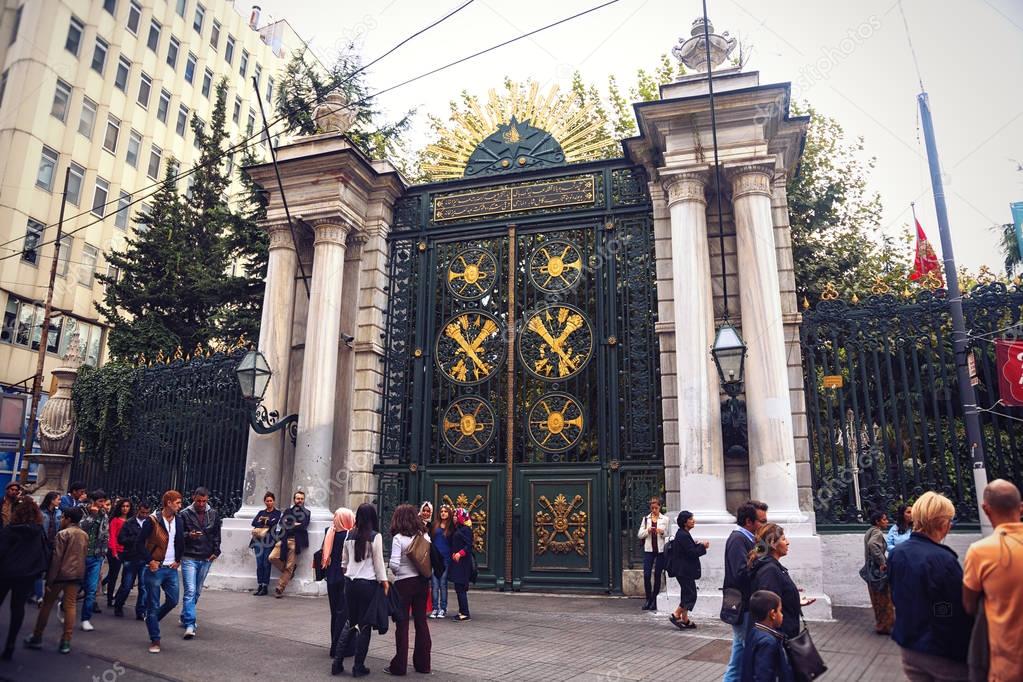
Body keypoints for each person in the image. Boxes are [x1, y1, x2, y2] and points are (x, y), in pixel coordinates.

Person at [889, 491, 972, 681]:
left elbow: (898, 595)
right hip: (940, 650)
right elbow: (952, 609)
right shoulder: (942, 560)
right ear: (943, 523)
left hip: (909, 645)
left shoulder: (898, 554)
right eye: (950, 520)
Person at [962, 479, 1023, 682]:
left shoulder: (981, 552)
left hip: (1008, 665)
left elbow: (968, 604)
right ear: (1021, 508)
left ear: (985, 509)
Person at [333, 502, 389, 677]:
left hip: (350, 583)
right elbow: (379, 563)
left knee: (350, 622)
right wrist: (384, 582)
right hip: (367, 584)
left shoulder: (349, 534)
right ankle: (358, 666)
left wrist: (350, 573)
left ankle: (337, 662)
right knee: (364, 625)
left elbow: (343, 562)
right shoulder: (375, 536)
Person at [24, 506, 87, 655]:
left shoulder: (62, 534)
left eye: (63, 517)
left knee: (47, 604)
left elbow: (56, 559)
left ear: (69, 519)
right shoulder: (84, 534)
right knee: (71, 606)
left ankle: (37, 636)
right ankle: (66, 641)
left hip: (60, 575)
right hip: (76, 575)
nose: (61, 520)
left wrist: (50, 580)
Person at [723, 500, 769, 682]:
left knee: (739, 657)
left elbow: (754, 560)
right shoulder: (737, 539)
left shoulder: (749, 539)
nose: (765, 525)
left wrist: (763, 546)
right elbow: (740, 573)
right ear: (749, 522)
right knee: (746, 655)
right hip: (743, 606)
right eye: (762, 521)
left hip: (748, 606)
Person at [135, 490, 184, 654]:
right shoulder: (152, 520)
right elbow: (139, 544)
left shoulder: (179, 519)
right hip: (155, 568)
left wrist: (178, 560)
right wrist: (150, 561)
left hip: (171, 568)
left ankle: (152, 618)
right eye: (177, 502)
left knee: (173, 601)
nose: (180, 505)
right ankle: (155, 639)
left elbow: (180, 541)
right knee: (153, 604)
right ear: (168, 503)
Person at [387, 503, 432, 675]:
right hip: (422, 582)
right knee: (421, 622)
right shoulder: (425, 536)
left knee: (402, 624)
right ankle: (423, 664)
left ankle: (399, 666)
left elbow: (395, 566)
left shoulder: (399, 538)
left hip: (404, 584)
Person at [747, 523, 813, 640]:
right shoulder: (770, 570)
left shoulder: (773, 567)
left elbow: (777, 596)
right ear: (773, 543)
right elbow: (768, 607)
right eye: (783, 539)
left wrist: (794, 599)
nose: (788, 542)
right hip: (779, 637)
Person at [0, 497, 47, 659]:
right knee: (18, 608)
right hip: (26, 575)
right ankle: (11, 643)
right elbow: (43, 552)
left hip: (6, 572)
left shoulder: (10, 529)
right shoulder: (38, 531)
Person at [178, 486, 221, 640]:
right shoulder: (184, 514)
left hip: (206, 556)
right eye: (199, 501)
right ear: (193, 498)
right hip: (189, 556)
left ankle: (185, 614)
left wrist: (216, 551)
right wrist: (189, 535)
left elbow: (216, 533)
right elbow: (178, 535)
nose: (201, 504)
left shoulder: (213, 513)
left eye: (204, 501)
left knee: (197, 591)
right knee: (190, 590)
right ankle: (190, 623)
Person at [740, 590, 795, 682]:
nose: (782, 615)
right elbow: (763, 676)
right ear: (772, 614)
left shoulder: (754, 632)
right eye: (780, 611)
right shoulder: (768, 642)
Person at [321, 506, 355, 658]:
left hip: (331, 576)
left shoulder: (330, 532)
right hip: (344, 577)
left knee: (335, 613)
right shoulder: (349, 535)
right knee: (345, 614)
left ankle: (333, 646)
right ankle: (342, 648)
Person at [668, 510, 708, 630]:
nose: (693, 521)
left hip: (683, 570)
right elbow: (692, 553)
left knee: (686, 593)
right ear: (685, 522)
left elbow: (687, 549)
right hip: (684, 570)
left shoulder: (682, 533)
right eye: (691, 519)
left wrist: (696, 544)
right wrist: (703, 546)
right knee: (691, 594)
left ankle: (684, 619)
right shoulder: (683, 535)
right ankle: (676, 614)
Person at [113, 501, 152, 620]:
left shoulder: (150, 523)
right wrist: (136, 539)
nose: (145, 515)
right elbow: (121, 539)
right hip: (131, 557)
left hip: (144, 558)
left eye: (147, 513)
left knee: (143, 586)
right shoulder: (129, 522)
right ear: (138, 511)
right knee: (126, 585)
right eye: (142, 512)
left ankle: (140, 611)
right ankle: (118, 605)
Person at [78, 489, 109, 632]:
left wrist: (104, 553)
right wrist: (93, 514)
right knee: (76, 587)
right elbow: (82, 527)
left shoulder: (104, 515)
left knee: (91, 589)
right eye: (100, 501)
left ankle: (85, 618)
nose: (103, 505)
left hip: (96, 556)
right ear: (93, 501)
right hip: (81, 555)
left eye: (104, 501)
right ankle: (65, 605)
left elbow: (104, 534)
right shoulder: (82, 510)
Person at [273, 490, 310, 598]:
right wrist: (294, 524)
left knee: (290, 565)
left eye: (302, 499)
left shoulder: (307, 512)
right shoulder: (288, 511)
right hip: (284, 539)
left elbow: (303, 526)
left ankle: (280, 588)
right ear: (294, 500)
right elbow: (281, 523)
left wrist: (289, 523)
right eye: (298, 498)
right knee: (272, 557)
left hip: (296, 541)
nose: (300, 501)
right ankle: (290, 572)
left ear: (304, 500)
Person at [863, 509, 893, 635]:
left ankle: (881, 624)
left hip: (871, 571)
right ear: (878, 521)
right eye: (884, 519)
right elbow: (872, 545)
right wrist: (882, 562)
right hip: (877, 571)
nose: (887, 522)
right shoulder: (877, 533)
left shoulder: (869, 531)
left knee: (876, 597)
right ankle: (885, 625)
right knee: (884, 597)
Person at [637, 496, 669, 610]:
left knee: (657, 575)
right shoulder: (646, 519)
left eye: (656, 508)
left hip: (660, 551)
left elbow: (669, 535)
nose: (654, 510)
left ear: (660, 507)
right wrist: (648, 530)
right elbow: (639, 534)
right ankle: (648, 598)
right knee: (646, 575)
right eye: (652, 508)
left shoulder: (665, 519)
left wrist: (661, 532)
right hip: (649, 550)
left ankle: (655, 600)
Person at [250, 492, 281, 596]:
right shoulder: (261, 512)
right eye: (267, 501)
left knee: (266, 563)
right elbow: (254, 523)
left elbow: (274, 523)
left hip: (269, 541)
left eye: (271, 500)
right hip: (258, 541)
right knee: (259, 564)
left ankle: (265, 586)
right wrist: (266, 522)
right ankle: (259, 584)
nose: (269, 502)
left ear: (274, 501)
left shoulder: (277, 513)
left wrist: (264, 521)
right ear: (264, 501)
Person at [35, 491, 62, 604]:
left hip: (53, 544)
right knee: (40, 570)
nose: (60, 501)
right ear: (51, 500)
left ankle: (46, 594)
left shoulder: (59, 512)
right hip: (42, 543)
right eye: (58, 499)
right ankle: (39, 596)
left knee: (51, 570)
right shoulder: (41, 512)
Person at [448, 507, 474, 622]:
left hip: (463, 563)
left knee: (461, 586)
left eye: (455, 515)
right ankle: (462, 610)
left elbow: (468, 546)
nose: (453, 517)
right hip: (457, 561)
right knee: (458, 587)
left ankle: (465, 612)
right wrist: (454, 553)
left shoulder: (466, 530)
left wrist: (460, 554)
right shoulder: (458, 528)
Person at [104, 498, 132, 608]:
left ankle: (119, 597)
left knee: (128, 578)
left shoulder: (131, 521)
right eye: (123, 506)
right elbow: (112, 536)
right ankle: (109, 599)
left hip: (127, 551)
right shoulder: (115, 520)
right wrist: (114, 551)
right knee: (113, 576)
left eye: (127, 506)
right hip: (115, 551)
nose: (125, 508)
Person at [430, 504, 453, 619]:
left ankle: (443, 608)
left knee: (443, 584)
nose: (443, 513)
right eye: (442, 511)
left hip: (446, 558)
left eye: (446, 511)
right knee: (434, 584)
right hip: (435, 558)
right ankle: (435, 608)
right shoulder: (434, 525)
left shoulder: (451, 527)